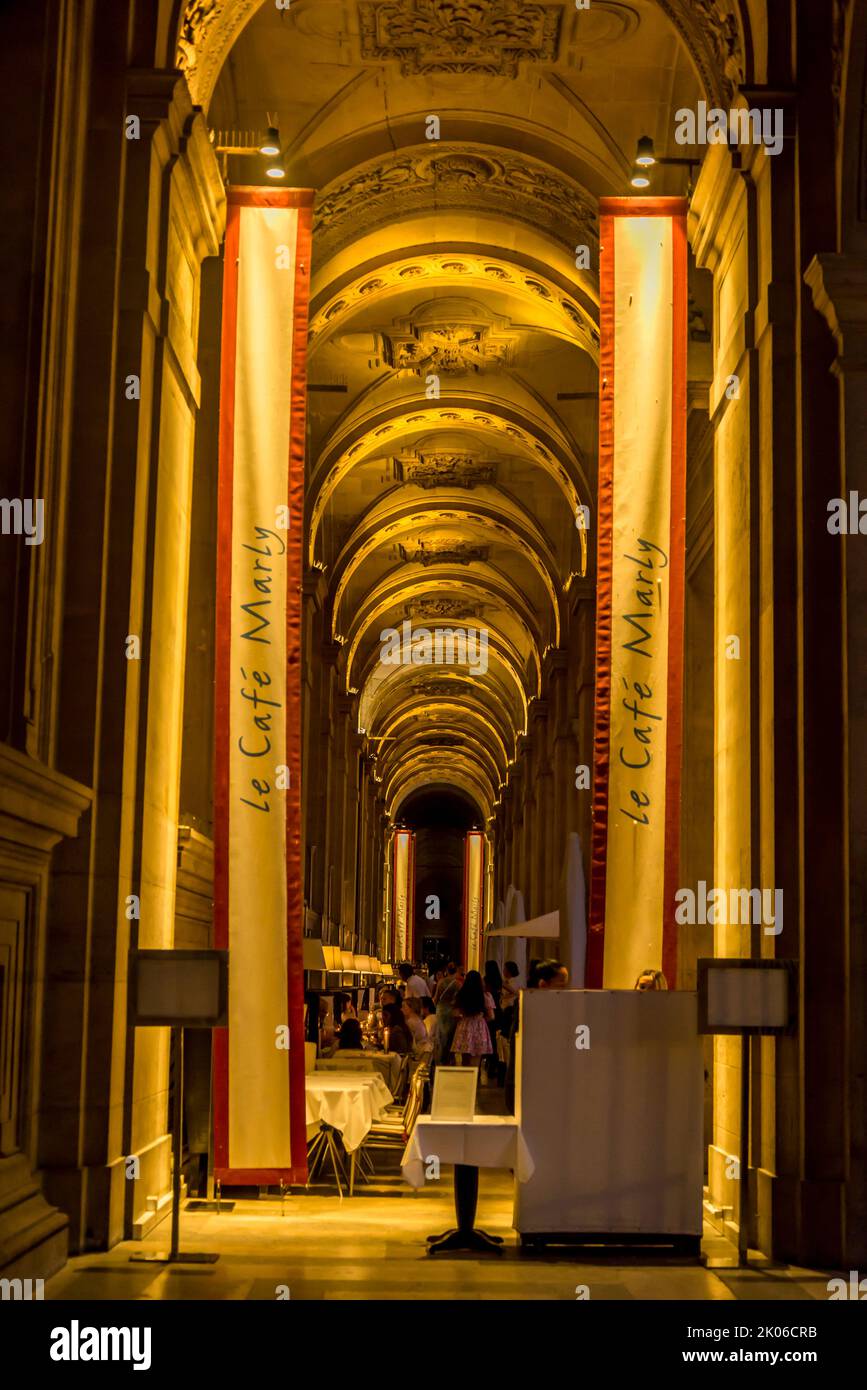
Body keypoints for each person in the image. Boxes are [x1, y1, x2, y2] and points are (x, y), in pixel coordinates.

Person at [450, 969, 495, 1067]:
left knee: (465, 1061)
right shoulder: (485, 996)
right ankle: (475, 1080)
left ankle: (466, 1080)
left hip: (465, 1026)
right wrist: (481, 1019)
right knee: (476, 1061)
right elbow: (491, 1016)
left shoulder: (461, 995)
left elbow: (455, 1013)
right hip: (479, 1027)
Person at [483, 961, 504, 1080]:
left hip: (489, 1009)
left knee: (489, 1037)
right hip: (498, 1011)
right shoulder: (499, 980)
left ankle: (490, 1063)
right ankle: (495, 1064)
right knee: (495, 1039)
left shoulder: (486, 980)